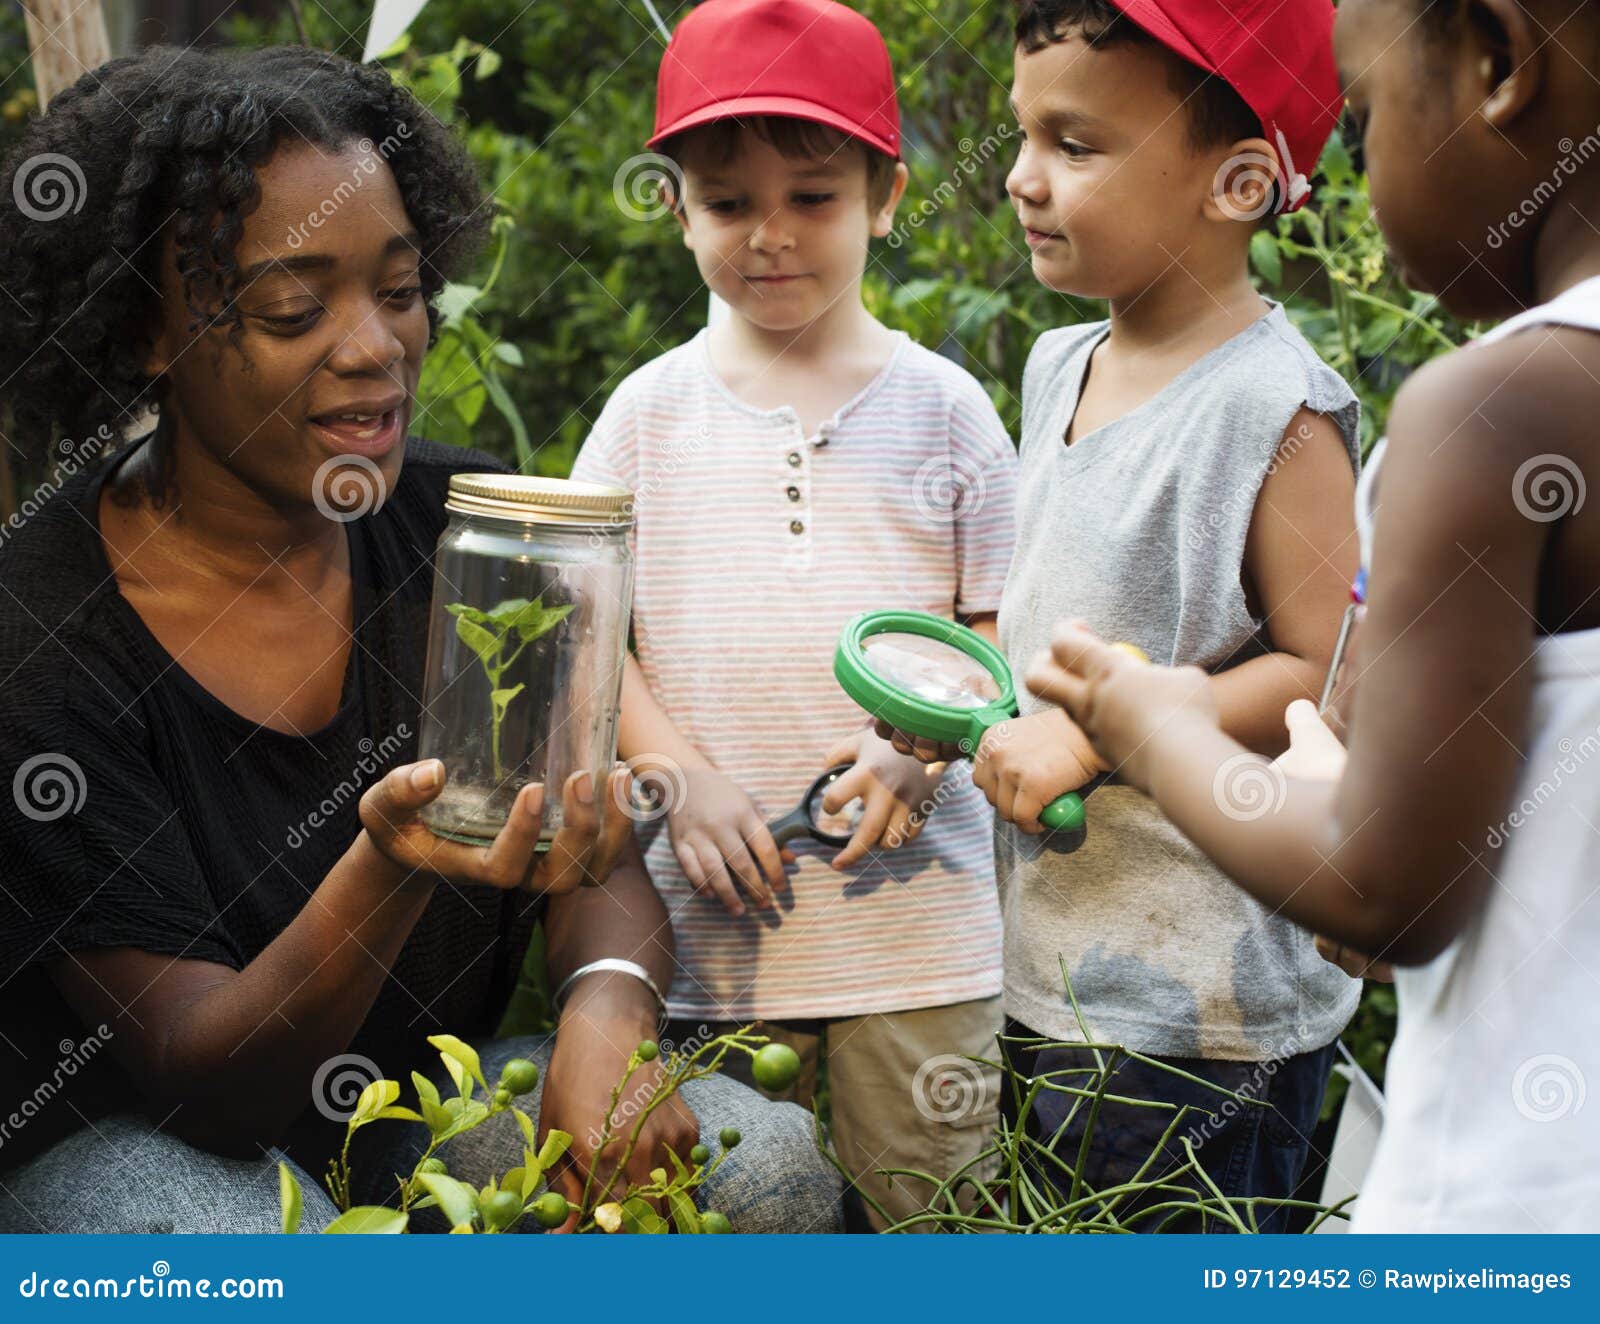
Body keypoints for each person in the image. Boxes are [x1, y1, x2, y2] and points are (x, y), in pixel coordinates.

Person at [0, 44, 838, 1234]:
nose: (372, 348)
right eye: (293, 307)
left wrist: (605, 1016)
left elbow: (597, 859)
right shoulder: (40, 636)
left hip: (417, 1111)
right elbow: (211, 1085)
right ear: (147, 331)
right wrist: (391, 864)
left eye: (397, 291)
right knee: (200, 1235)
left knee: (766, 1162)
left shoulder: (476, 535)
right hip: (147, 1154)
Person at [1025, 0, 1600, 1234]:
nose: (1355, 166)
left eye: (1374, 106)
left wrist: (1147, 722)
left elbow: (1380, 886)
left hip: (1516, 1207)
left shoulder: (1498, 411)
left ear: (1498, 63)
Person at [885, 0, 1362, 1230]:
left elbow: (1322, 668)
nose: (1020, 178)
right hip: (1054, 970)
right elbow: (1054, 622)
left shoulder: (1277, 409)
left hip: (1204, 1024)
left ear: (1239, 182)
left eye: (1076, 146)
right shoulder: (1059, 365)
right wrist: (945, 721)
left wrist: (1100, 738)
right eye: (1021, 134)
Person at [569, 0, 1018, 1228]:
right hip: (712, 943)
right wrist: (673, 768)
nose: (767, 235)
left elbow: (998, 633)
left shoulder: (948, 410)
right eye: (725, 202)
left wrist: (919, 748)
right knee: (728, 1225)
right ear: (674, 206)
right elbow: (582, 623)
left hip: (918, 942)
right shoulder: (645, 416)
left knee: (928, 1225)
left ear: (885, 194)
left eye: (812, 197)